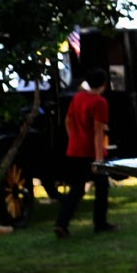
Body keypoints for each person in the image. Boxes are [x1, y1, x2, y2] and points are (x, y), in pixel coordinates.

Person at [54, 67, 115, 237]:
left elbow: (68, 121)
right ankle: (100, 222)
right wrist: (98, 159)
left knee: (77, 189)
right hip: (90, 152)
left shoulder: (78, 98)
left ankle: (62, 223)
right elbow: (97, 132)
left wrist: (74, 137)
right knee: (102, 187)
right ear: (104, 84)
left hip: (74, 150)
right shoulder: (99, 102)